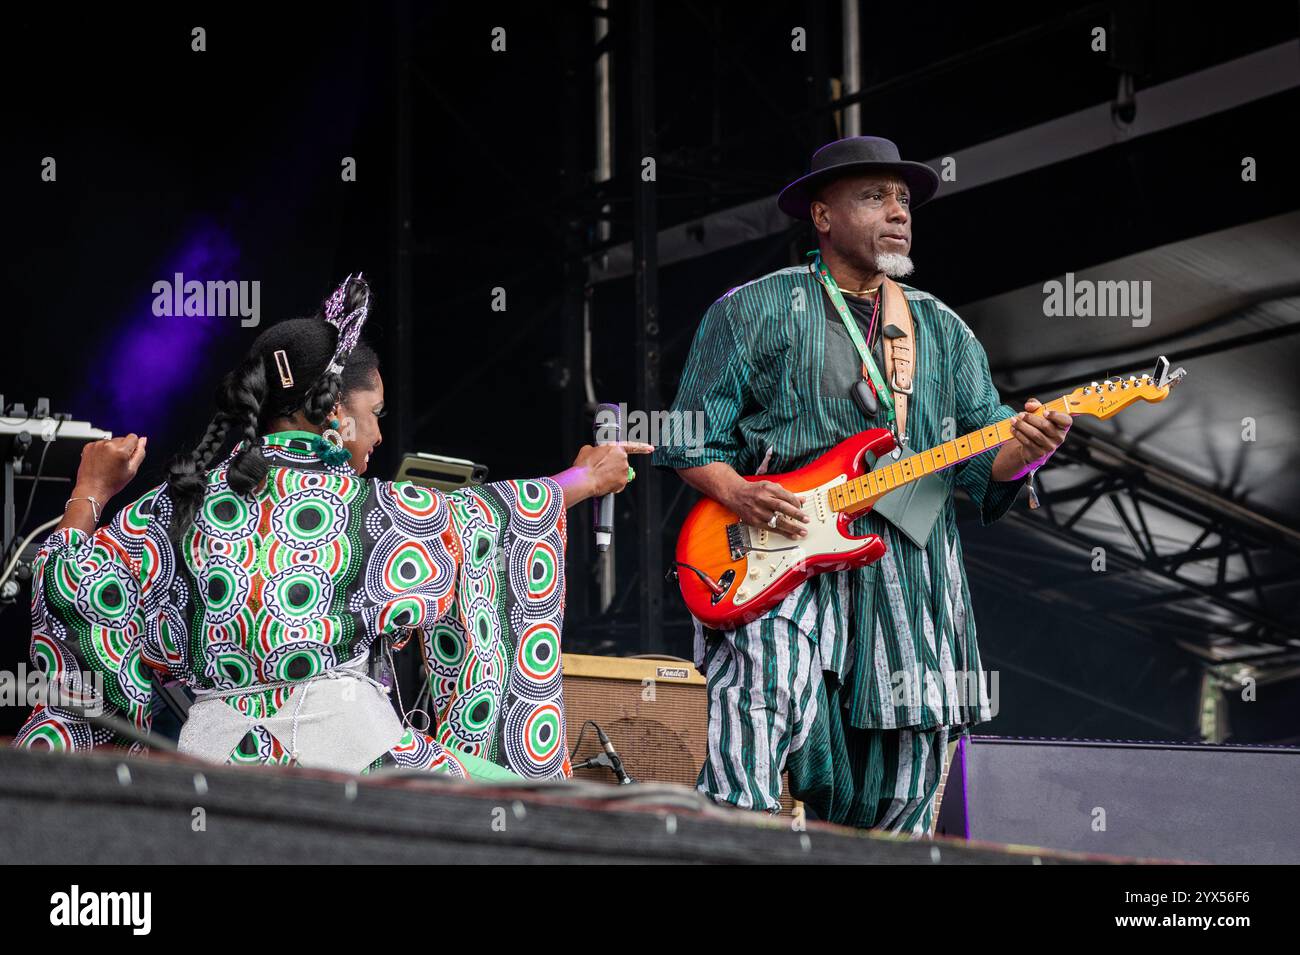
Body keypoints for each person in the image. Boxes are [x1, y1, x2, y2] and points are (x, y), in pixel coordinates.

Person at [15, 274, 651, 779]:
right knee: (531, 809)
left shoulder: (179, 505)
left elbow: (73, 582)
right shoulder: (370, 509)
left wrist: (89, 491)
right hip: (348, 759)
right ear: (333, 414)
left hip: (209, 767)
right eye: (372, 413)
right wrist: (585, 480)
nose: (377, 434)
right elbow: (495, 518)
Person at [654, 137, 1072, 832]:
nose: (898, 212)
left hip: (914, 575)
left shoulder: (942, 328)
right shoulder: (754, 308)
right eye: (875, 196)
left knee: (910, 772)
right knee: (764, 692)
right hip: (783, 556)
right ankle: (734, 850)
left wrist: (1026, 452)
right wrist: (737, 491)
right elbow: (687, 436)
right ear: (821, 215)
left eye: (903, 199)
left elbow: (982, 458)